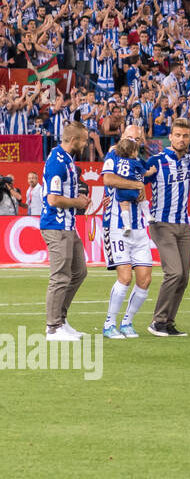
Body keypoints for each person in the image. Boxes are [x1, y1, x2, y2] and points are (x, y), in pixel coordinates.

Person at [40, 120, 91, 341]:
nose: (87, 143)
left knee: (79, 272)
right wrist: (77, 203)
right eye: (84, 140)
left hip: (68, 226)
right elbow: (53, 199)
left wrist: (79, 200)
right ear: (73, 140)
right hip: (56, 226)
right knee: (60, 276)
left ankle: (60, 319)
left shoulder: (66, 159)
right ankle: (53, 327)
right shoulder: (57, 163)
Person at [146, 118, 190, 336]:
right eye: (177, 135)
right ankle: (157, 321)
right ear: (170, 137)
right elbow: (137, 179)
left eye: (185, 136)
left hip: (183, 224)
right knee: (174, 272)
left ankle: (168, 322)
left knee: (184, 277)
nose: (181, 139)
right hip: (161, 223)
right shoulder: (156, 161)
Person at [101, 135, 154, 338]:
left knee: (145, 279)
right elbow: (108, 179)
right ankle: (109, 323)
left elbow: (144, 182)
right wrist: (136, 186)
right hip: (117, 226)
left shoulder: (138, 162)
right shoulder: (113, 156)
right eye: (133, 136)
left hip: (139, 227)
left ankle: (127, 322)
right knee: (125, 277)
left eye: (139, 137)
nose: (137, 140)